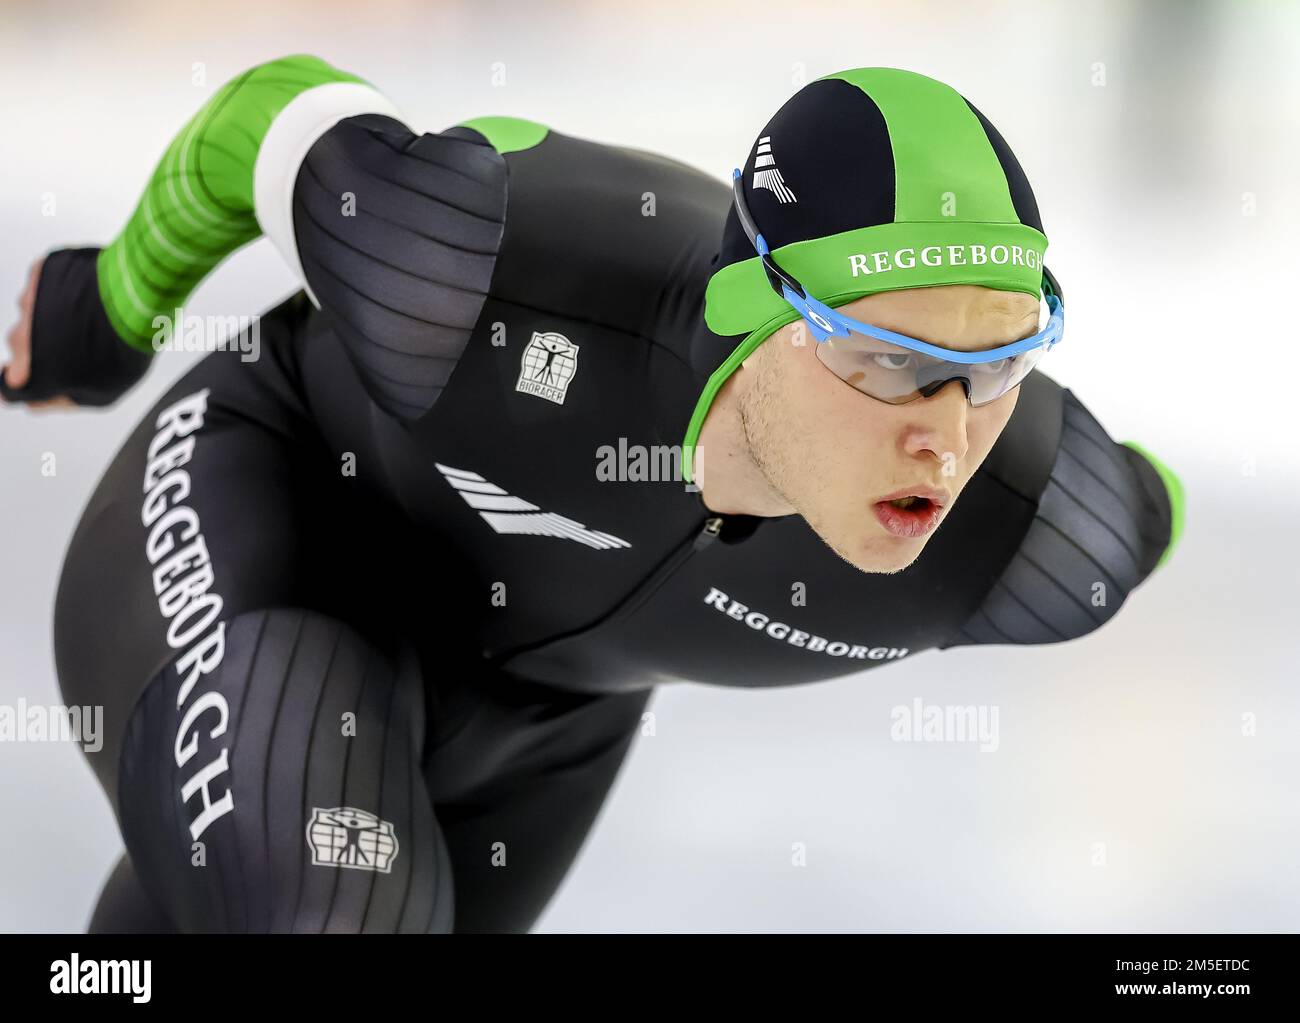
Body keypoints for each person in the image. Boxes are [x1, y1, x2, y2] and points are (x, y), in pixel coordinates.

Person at [1, 55, 1183, 933]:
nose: (946, 435)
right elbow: (264, 118)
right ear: (748, 310)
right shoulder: (482, 272)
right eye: (884, 360)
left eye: (999, 367)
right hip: (288, 513)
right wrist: (107, 314)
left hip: (544, 724)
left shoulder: (1029, 529)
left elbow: (1151, 504)